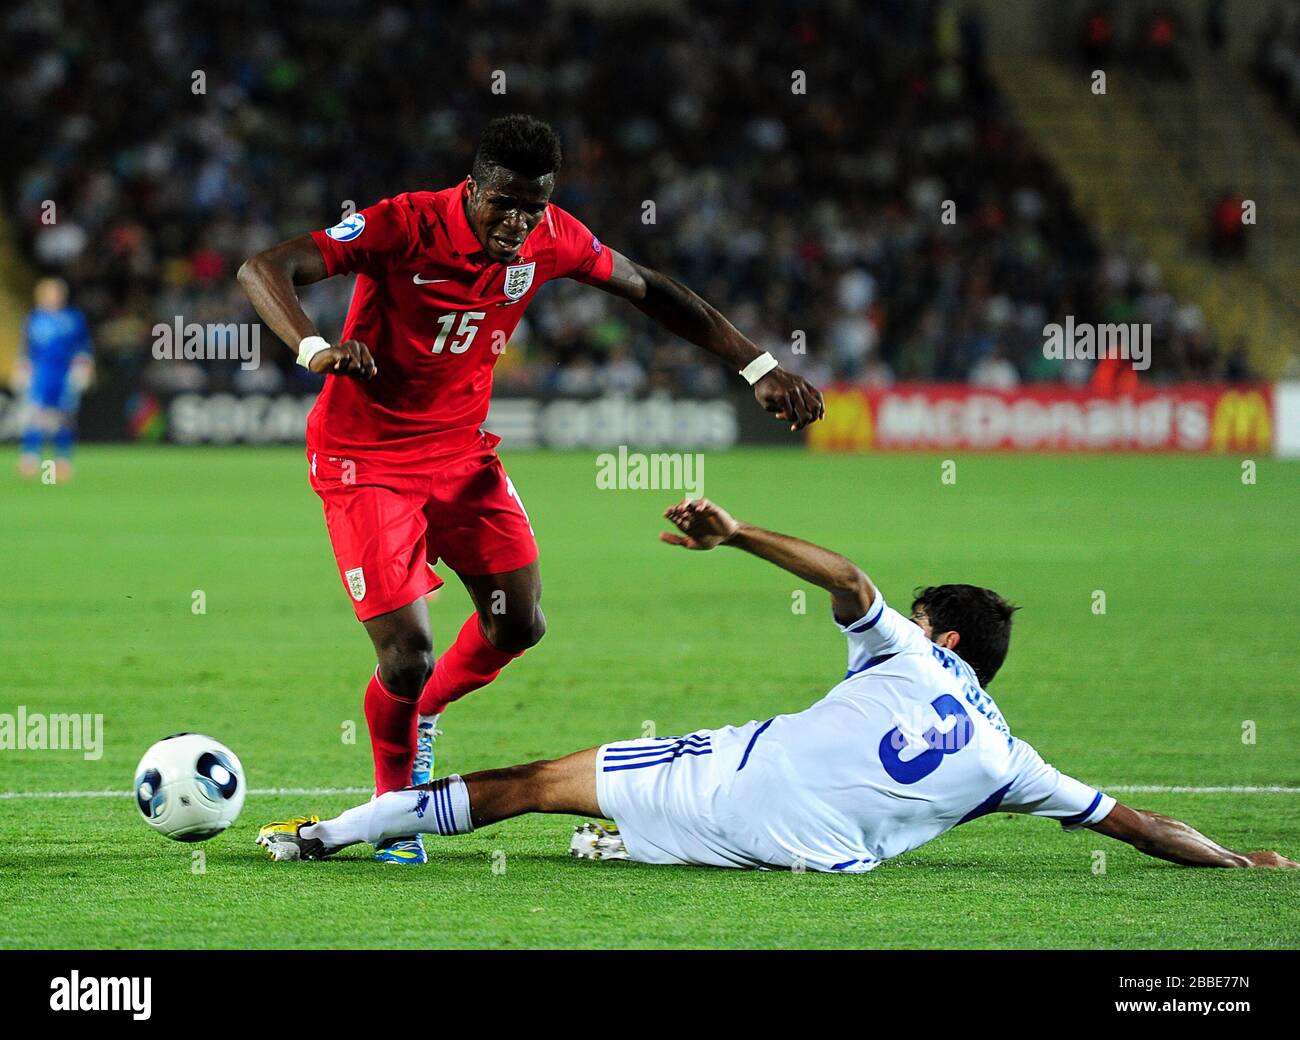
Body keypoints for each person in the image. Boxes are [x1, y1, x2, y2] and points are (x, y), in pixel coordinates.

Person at [237, 115, 824, 864]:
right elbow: (264, 267)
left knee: (519, 624)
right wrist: (315, 346)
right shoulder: (402, 223)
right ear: (472, 187)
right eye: (503, 204)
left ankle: (425, 716)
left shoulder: (552, 238)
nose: (517, 222)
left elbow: (652, 290)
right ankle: (395, 813)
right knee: (406, 656)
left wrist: (757, 366)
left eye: (534, 206)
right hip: (366, 460)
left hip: (461, 456)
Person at [258, 498, 1297, 873]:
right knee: (708, 789)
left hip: (739, 789)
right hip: (815, 859)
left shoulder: (910, 650)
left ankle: (327, 833)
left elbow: (848, 580)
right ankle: (625, 841)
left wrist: (738, 531)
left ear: (938, 632)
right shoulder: (1010, 759)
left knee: (524, 782)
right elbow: (1134, 820)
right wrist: (1236, 857)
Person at [13, 278, 94, 481]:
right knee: (37, 416)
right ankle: (30, 457)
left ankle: (62, 461)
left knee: (64, 418)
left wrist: (83, 367)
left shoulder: (74, 318)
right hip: (41, 374)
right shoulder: (34, 318)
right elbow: (26, 347)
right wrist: (22, 368)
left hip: (65, 374)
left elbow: (84, 346)